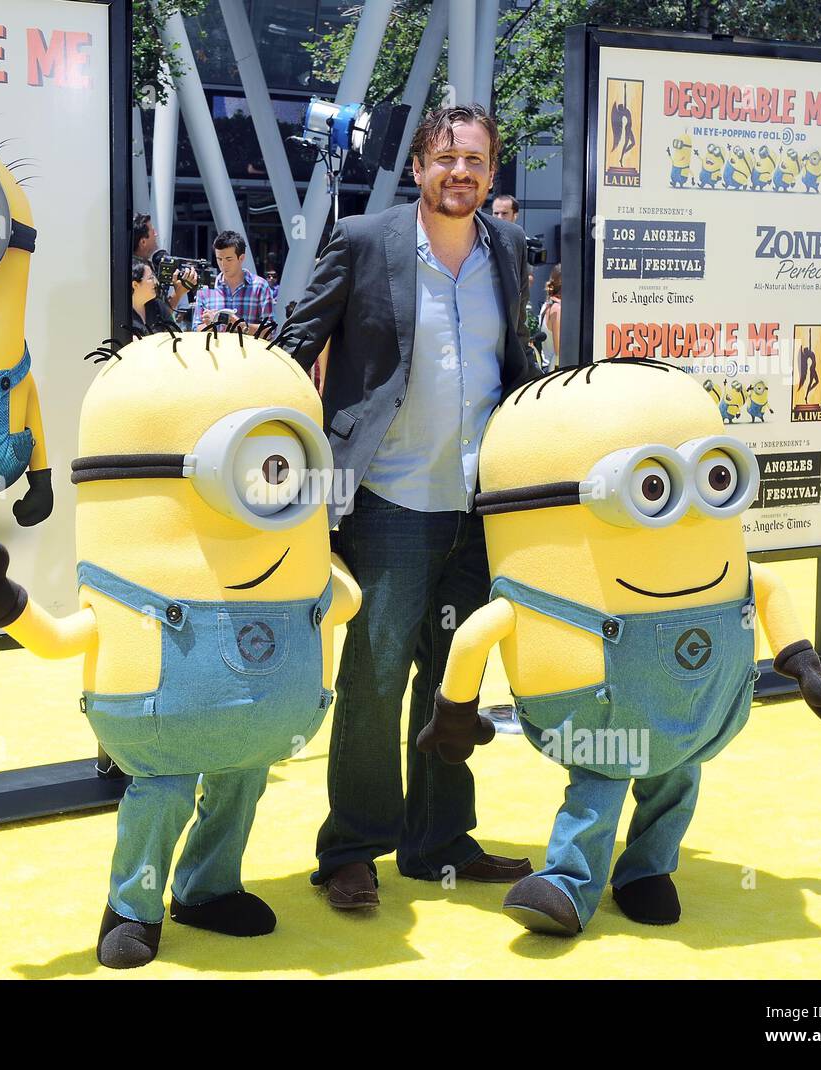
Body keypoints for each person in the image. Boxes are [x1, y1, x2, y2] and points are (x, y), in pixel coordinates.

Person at [282, 103, 538, 911]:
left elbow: (514, 360)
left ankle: (437, 843)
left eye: (476, 160)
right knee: (376, 675)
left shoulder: (510, 248)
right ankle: (352, 848)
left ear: (492, 172)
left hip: (479, 502)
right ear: (420, 166)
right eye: (445, 157)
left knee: (456, 677)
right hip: (390, 498)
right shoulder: (365, 242)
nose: (460, 171)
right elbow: (299, 342)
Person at [192, 230, 275, 333]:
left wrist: (241, 326)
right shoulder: (205, 289)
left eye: (229, 259)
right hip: (215, 349)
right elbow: (195, 329)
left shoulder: (260, 286)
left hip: (247, 349)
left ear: (241, 258)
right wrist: (210, 325)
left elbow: (270, 331)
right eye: (219, 259)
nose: (223, 264)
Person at [132, 213, 197, 326]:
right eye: (153, 232)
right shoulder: (134, 272)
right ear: (143, 242)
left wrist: (179, 292)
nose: (156, 234)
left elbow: (160, 313)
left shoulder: (147, 265)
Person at [128, 257, 167, 338]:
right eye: (150, 278)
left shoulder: (158, 306)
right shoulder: (122, 314)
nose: (156, 282)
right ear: (135, 284)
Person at [537, 264, 562, 370]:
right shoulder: (557, 309)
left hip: (546, 368)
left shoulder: (546, 305)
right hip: (554, 372)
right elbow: (559, 352)